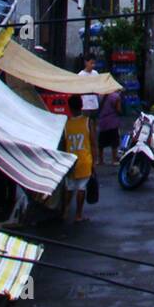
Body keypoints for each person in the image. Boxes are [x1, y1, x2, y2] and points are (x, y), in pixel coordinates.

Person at [62, 94, 95, 223]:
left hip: (70, 160)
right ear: (81, 106)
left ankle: (65, 212)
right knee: (82, 187)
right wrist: (95, 161)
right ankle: (78, 214)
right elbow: (93, 142)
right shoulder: (87, 121)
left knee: (69, 187)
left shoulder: (66, 124)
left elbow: (64, 144)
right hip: (85, 159)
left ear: (69, 107)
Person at [95, 89, 122, 166]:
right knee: (114, 142)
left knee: (101, 142)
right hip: (113, 121)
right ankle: (114, 160)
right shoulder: (116, 96)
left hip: (102, 122)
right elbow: (118, 109)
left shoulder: (100, 96)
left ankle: (100, 160)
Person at [77, 54, 101, 118]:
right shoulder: (80, 75)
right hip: (85, 105)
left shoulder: (95, 73)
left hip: (95, 104)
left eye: (94, 63)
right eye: (91, 63)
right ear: (86, 62)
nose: (93, 65)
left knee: (94, 121)